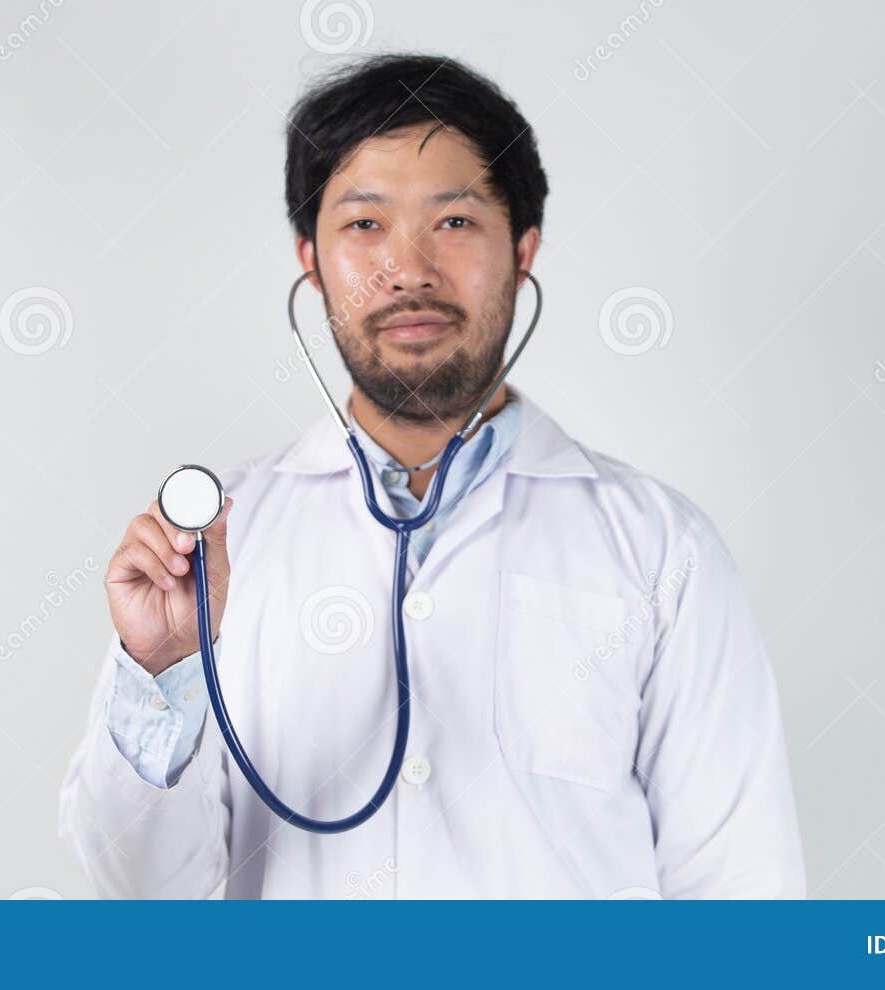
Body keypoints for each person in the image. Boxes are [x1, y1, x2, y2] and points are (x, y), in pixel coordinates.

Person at [58, 53, 804, 899]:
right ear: (310, 258)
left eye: (453, 223)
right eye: (365, 225)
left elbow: (741, 886)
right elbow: (146, 897)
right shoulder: (221, 545)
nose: (407, 270)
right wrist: (162, 671)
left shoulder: (662, 547)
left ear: (524, 248)